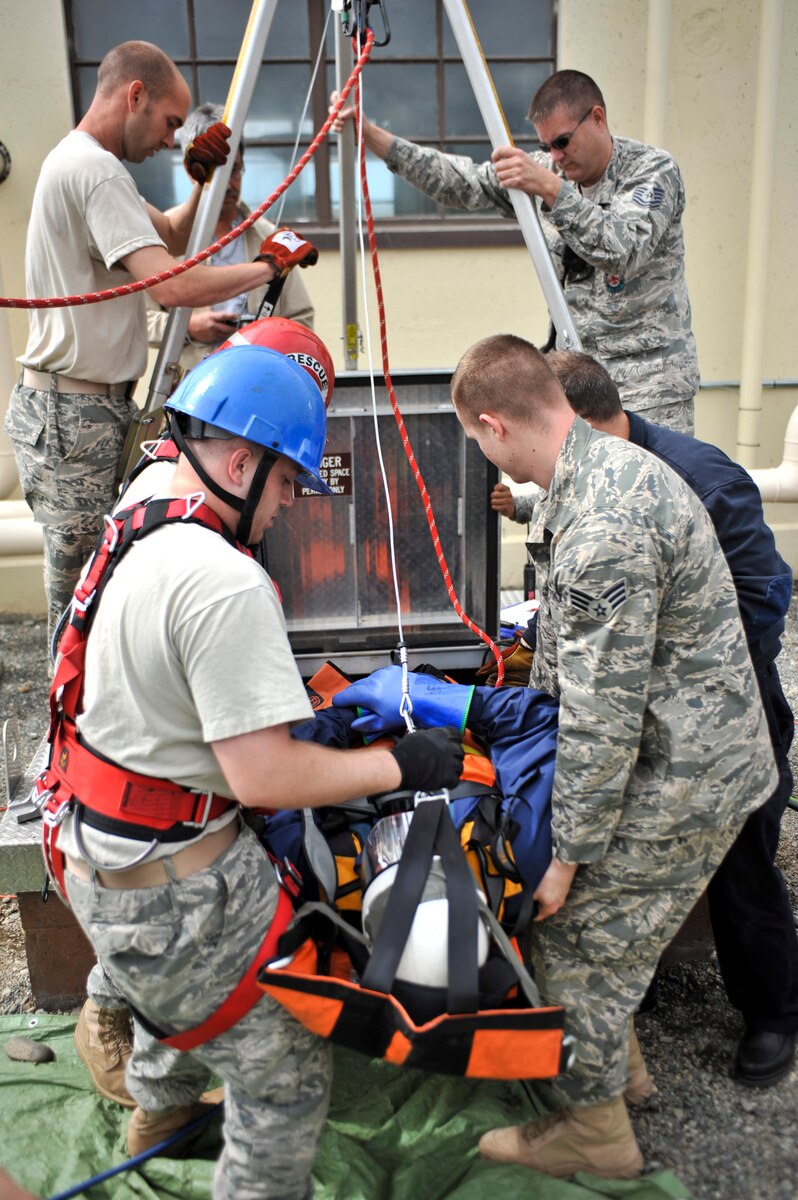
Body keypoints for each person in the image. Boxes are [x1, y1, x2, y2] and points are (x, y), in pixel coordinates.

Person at [46, 343, 464, 1199]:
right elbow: (265, 780)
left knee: (177, 995)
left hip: (95, 853)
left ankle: (159, 1112)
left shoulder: (146, 503)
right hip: (169, 887)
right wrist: (399, 760)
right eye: (286, 484)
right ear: (240, 460)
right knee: (286, 1081)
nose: (290, 507)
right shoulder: (224, 581)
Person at [438, 334, 775, 1178]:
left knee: (571, 935)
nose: (489, 462)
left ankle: (595, 1132)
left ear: (494, 424)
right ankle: (619, 1072)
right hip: (693, 748)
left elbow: (601, 715)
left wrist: (569, 853)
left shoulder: (605, 530)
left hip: (684, 770)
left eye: (481, 445)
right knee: (601, 933)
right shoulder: (605, 466)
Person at [495, 349, 797, 1088]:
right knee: (631, 868)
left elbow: (763, 594)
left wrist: (673, 674)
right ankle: (639, 996)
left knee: (741, 868)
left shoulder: (704, 475)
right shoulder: (600, 468)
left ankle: (774, 1015)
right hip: (654, 727)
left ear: (586, 422)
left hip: (725, 712)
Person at [3, 41, 317, 642]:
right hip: (74, 414)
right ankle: (67, 733)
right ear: (135, 96)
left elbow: (171, 233)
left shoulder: (92, 166)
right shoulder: (93, 170)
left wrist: (203, 184)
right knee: (79, 605)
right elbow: (172, 286)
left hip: (91, 408)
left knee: (107, 586)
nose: (172, 140)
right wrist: (267, 267)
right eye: (171, 123)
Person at [331, 69, 698, 434]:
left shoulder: (652, 171)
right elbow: (461, 182)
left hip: (651, 387)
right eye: (546, 146)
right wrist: (373, 136)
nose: (556, 156)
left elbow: (622, 249)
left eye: (563, 141)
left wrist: (552, 190)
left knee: (651, 490)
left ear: (597, 118)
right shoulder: (550, 171)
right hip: (580, 386)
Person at [146, 103, 315, 370]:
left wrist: (266, 339)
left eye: (235, 171)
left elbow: (300, 319)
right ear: (193, 173)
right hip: (188, 389)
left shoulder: (270, 238)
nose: (229, 183)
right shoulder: (164, 237)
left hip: (255, 385)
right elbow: (139, 320)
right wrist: (187, 327)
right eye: (218, 173)